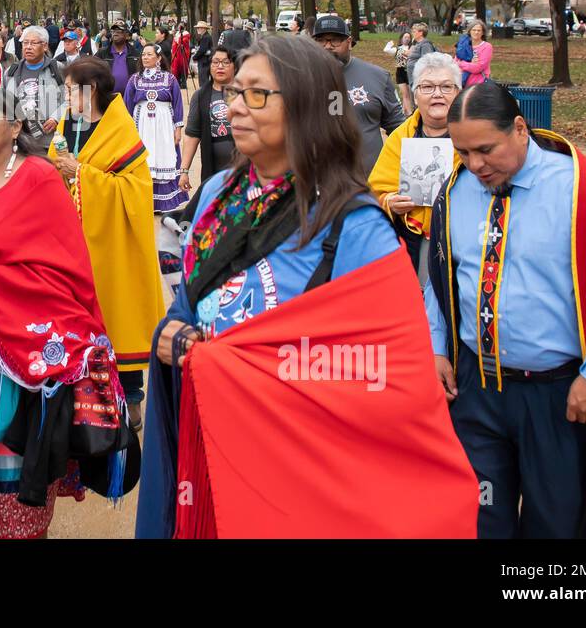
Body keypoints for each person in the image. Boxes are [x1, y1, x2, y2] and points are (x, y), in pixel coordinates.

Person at [137, 35, 476, 539]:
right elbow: (190, 301)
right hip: (211, 442)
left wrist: (252, 370)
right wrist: (176, 335)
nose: (234, 108)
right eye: (235, 94)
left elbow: (388, 379)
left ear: (305, 107)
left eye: (257, 95)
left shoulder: (354, 229)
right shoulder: (215, 195)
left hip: (296, 470)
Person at [426, 83, 586, 538]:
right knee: (478, 517)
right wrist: (437, 345)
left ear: (520, 128)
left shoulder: (583, 190)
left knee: (555, 525)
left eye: (485, 149)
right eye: (461, 151)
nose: (475, 164)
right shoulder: (455, 189)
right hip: (475, 392)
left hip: (558, 398)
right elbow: (442, 278)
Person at [0, 89, 132, 538]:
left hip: (26, 354)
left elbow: (62, 268)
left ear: (16, 128)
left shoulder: (38, 177)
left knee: (19, 478)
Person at [50, 58, 164, 431]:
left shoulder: (120, 128)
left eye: (70, 90)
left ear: (91, 90)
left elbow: (136, 190)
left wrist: (81, 174)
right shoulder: (67, 123)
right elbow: (55, 168)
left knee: (119, 315)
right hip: (72, 240)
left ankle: (131, 399)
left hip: (113, 245)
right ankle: (84, 396)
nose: (66, 96)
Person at [368, 52, 463, 282]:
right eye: (427, 87)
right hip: (413, 242)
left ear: (459, 93)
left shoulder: (474, 136)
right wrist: (390, 202)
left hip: (463, 240)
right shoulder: (401, 137)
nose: (437, 94)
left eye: (446, 87)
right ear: (415, 93)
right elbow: (376, 190)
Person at [312, 14, 406, 174]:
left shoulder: (378, 77)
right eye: (321, 40)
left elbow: (398, 129)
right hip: (315, 181)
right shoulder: (297, 79)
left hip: (367, 181)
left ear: (349, 42)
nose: (327, 46)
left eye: (335, 40)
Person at [124, 43, 187, 212]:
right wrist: (127, 130)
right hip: (141, 125)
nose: (145, 57)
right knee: (144, 158)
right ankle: (143, 201)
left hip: (164, 125)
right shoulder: (135, 79)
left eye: (149, 54)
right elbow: (127, 105)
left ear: (158, 58)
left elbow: (177, 103)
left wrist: (178, 128)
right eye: (143, 54)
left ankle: (165, 203)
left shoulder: (170, 79)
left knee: (164, 156)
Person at [180, 44, 238, 190]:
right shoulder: (200, 96)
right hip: (213, 170)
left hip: (244, 168)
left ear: (234, 66)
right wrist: (184, 171)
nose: (220, 66)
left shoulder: (244, 92)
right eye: (215, 62)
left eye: (225, 62)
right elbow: (192, 134)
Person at [3, 25, 67, 151]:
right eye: (25, 43)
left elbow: (71, 99)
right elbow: (4, 103)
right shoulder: (11, 72)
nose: (28, 47)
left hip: (51, 142)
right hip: (21, 141)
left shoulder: (58, 69)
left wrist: (56, 118)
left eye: (33, 43)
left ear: (45, 46)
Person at [94, 22, 142, 96]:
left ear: (126, 35)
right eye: (113, 31)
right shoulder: (102, 53)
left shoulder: (135, 54)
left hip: (129, 99)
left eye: (119, 31)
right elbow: (90, 72)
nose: (115, 33)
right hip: (107, 99)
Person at [457, 19, 493, 85]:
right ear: (469, 31)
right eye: (474, 30)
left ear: (482, 33)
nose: (476, 32)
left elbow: (478, 68)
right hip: (461, 83)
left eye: (479, 30)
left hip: (479, 85)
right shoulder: (463, 45)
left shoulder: (487, 46)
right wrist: (471, 63)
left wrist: (461, 64)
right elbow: (454, 63)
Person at [387, 31, 414, 114]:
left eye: (408, 37)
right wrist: (389, 44)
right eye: (405, 37)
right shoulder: (397, 49)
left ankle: (404, 112)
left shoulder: (412, 48)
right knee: (405, 94)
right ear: (401, 38)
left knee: (409, 95)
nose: (407, 39)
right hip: (400, 72)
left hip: (409, 73)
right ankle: (409, 113)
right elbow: (386, 49)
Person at [191, 20, 214, 89]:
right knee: (204, 79)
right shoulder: (205, 36)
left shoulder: (205, 37)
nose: (198, 29)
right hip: (205, 61)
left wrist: (194, 57)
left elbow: (202, 50)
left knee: (203, 80)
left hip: (204, 61)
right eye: (198, 28)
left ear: (204, 29)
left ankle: (204, 95)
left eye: (199, 28)